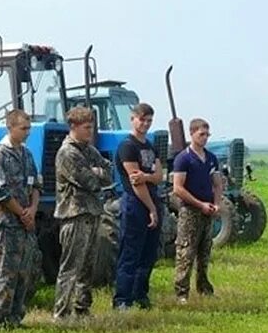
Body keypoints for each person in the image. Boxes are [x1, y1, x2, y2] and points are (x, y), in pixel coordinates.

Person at [0, 109, 42, 328]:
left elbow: (35, 184)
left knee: (23, 272)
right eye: (23, 128)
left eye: (29, 128)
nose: (27, 133)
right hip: (7, 222)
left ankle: (15, 317)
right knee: (4, 272)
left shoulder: (26, 154)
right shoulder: (0, 154)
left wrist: (32, 210)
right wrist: (21, 213)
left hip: (26, 221)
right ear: (11, 127)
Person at [53, 106, 112, 320]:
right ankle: (62, 313)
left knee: (88, 267)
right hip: (74, 214)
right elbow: (88, 182)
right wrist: (96, 173)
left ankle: (82, 308)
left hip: (92, 212)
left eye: (91, 127)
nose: (90, 131)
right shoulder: (67, 152)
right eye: (86, 127)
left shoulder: (88, 149)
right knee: (70, 268)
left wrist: (97, 172)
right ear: (74, 127)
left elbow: (108, 173)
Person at [114, 103, 164, 309]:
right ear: (132, 119)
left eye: (149, 120)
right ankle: (122, 300)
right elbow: (136, 182)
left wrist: (149, 176)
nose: (145, 124)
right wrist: (151, 208)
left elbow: (160, 176)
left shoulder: (150, 146)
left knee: (149, 253)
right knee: (131, 253)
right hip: (136, 203)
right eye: (142, 119)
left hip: (153, 199)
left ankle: (140, 295)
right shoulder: (128, 146)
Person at [172, 118, 222, 303]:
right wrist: (199, 204)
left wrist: (216, 204)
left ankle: (203, 287)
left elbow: (217, 183)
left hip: (207, 211)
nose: (205, 138)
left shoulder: (211, 158)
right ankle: (181, 292)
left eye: (207, 135)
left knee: (204, 251)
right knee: (186, 252)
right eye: (201, 134)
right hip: (190, 211)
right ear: (192, 133)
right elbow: (178, 187)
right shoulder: (183, 158)